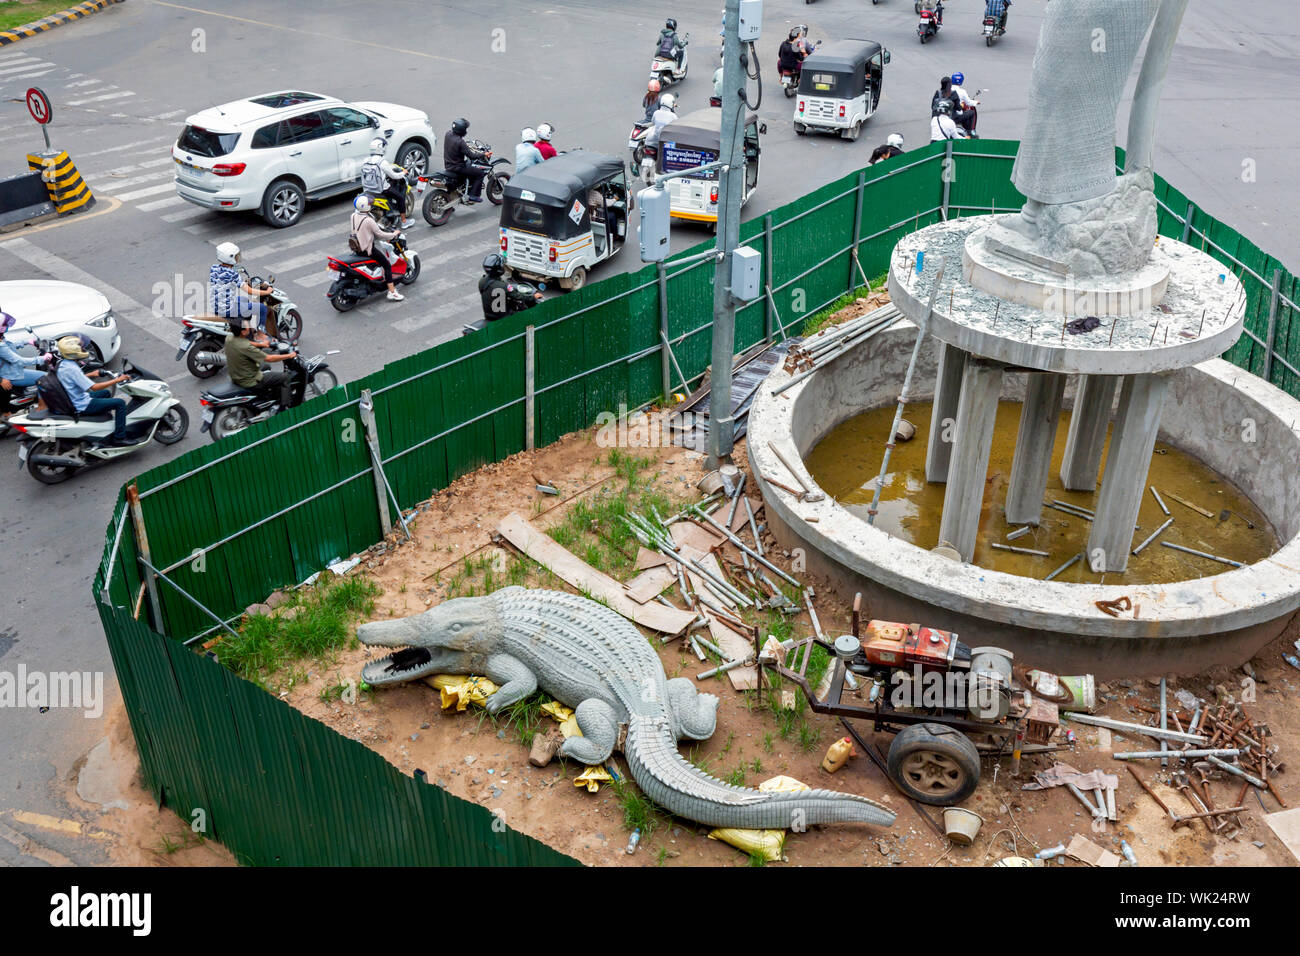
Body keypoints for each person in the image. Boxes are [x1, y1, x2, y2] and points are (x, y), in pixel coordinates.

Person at [53, 335, 131, 443]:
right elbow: (94, 387)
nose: (83, 349)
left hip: (73, 399)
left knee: (105, 393)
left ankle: (102, 424)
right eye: (80, 348)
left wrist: (91, 374)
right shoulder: (73, 368)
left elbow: (73, 380)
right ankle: (119, 438)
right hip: (81, 405)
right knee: (120, 403)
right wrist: (117, 380)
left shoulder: (62, 364)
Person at [223, 316, 297, 410]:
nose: (250, 327)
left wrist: (261, 344)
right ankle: (284, 408)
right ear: (243, 332)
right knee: (285, 377)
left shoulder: (229, 338)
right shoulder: (246, 347)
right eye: (247, 327)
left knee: (265, 366)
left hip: (236, 375)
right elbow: (269, 358)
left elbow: (246, 342)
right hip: (250, 381)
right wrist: (289, 356)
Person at [209, 242, 272, 344]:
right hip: (228, 308)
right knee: (262, 308)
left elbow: (226, 278)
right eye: (236, 255)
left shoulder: (214, 269)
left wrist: (242, 281)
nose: (238, 257)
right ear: (230, 257)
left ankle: (244, 326)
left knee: (244, 300)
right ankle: (260, 335)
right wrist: (267, 292)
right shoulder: (233, 274)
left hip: (217, 305)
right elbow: (249, 291)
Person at [349, 195, 405, 302]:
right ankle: (392, 292)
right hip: (367, 250)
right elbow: (380, 234)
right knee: (387, 265)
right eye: (369, 204)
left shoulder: (353, 215)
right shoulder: (368, 220)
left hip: (356, 247)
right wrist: (393, 234)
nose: (370, 205)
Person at [361, 137, 414, 228]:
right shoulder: (382, 162)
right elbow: (394, 176)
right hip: (380, 190)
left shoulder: (365, 161)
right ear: (380, 148)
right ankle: (404, 222)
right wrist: (403, 173)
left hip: (367, 190)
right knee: (400, 197)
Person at [478, 254, 542, 322]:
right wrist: (533, 297)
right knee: (525, 318)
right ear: (498, 269)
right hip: (503, 318)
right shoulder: (503, 286)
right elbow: (519, 296)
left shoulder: (482, 281)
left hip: (489, 316)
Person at [0, 310, 47, 401]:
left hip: (11, 370)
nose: (7, 326)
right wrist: (42, 359)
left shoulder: (1, 338)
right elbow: (19, 360)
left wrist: (27, 342)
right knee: (46, 378)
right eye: (5, 325)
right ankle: (42, 407)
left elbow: (9, 346)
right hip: (12, 375)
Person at [443, 117, 488, 204]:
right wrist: (483, 154)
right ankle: (473, 196)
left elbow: (457, 146)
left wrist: (465, 146)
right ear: (462, 130)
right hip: (458, 167)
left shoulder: (448, 134)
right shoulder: (460, 142)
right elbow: (472, 156)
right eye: (465, 129)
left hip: (448, 165)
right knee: (480, 173)